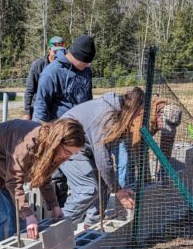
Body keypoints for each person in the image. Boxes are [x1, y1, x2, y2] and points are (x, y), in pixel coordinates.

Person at [0, 118, 85, 246]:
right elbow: (13, 181)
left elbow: (44, 178)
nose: (68, 157)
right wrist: (28, 215)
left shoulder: (50, 148)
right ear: (56, 142)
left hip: (2, 166)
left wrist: (55, 206)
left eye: (72, 154)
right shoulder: (27, 143)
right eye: (67, 152)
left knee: (18, 216)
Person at [60, 87, 169, 226]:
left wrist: (115, 186)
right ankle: (59, 228)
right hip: (66, 145)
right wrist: (119, 192)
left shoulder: (116, 112)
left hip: (85, 146)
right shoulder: (107, 116)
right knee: (87, 189)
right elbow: (103, 160)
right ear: (134, 108)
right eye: (140, 112)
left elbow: (105, 162)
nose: (139, 116)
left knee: (105, 183)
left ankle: (91, 223)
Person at [32, 35, 95, 122]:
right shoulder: (51, 73)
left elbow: (89, 100)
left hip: (83, 125)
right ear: (76, 56)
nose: (87, 65)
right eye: (85, 63)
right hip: (60, 127)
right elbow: (41, 107)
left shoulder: (86, 70)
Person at [22, 36, 66, 119]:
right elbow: (30, 89)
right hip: (39, 109)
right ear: (49, 49)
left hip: (58, 112)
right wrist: (27, 112)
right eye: (55, 51)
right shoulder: (38, 65)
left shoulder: (65, 67)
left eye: (61, 51)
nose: (58, 54)